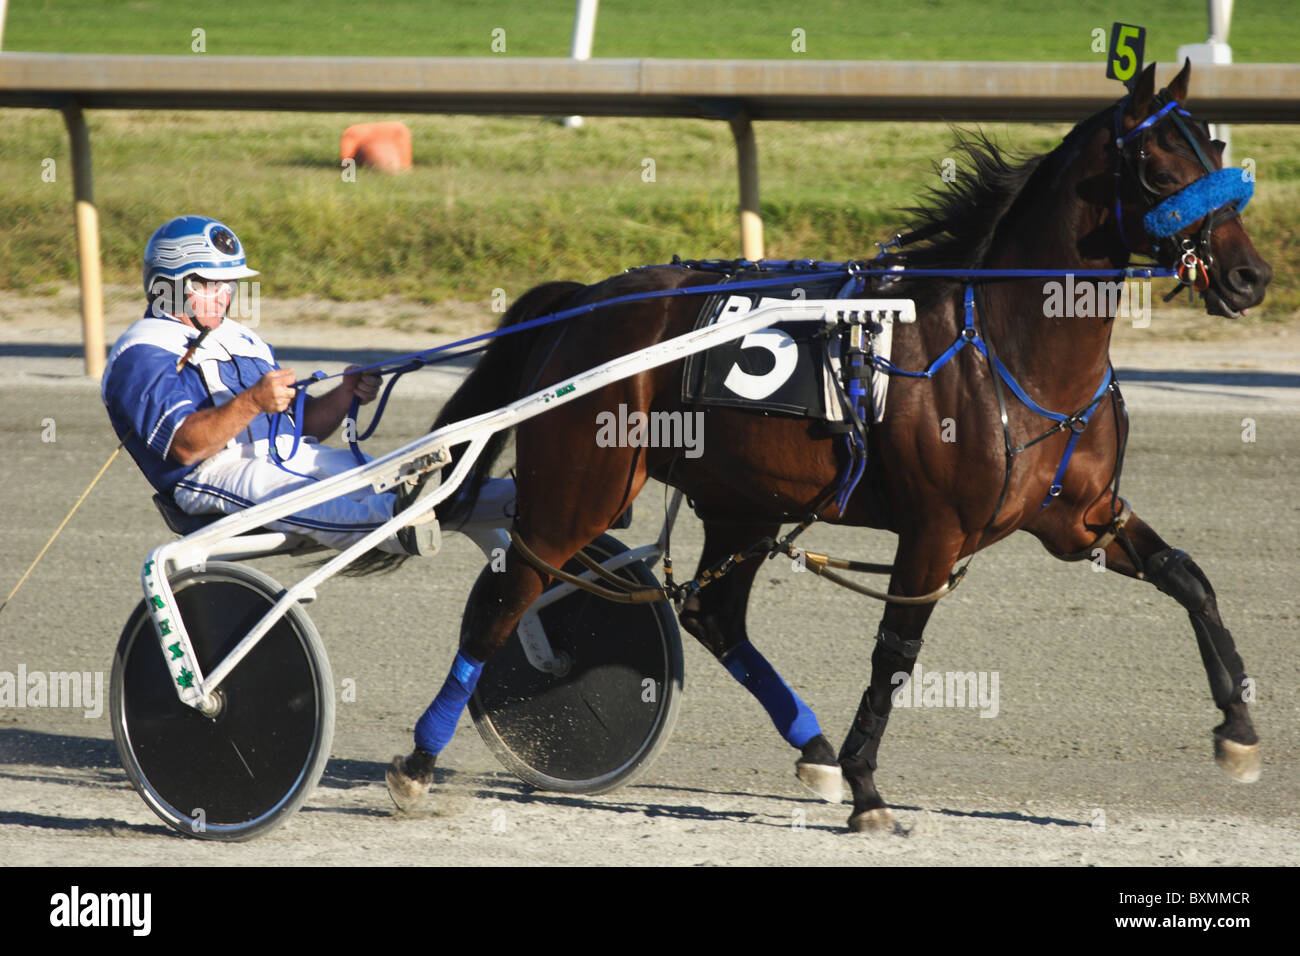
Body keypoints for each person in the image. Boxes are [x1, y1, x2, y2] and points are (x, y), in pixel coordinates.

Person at [101, 215, 439, 555]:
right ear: (169, 285)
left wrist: (344, 393)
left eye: (228, 284)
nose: (223, 296)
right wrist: (252, 402)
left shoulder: (243, 338)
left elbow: (300, 427)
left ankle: (443, 497)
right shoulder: (140, 351)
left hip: (288, 455)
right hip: (211, 474)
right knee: (300, 497)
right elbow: (187, 448)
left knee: (376, 473)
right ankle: (395, 522)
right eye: (209, 284)